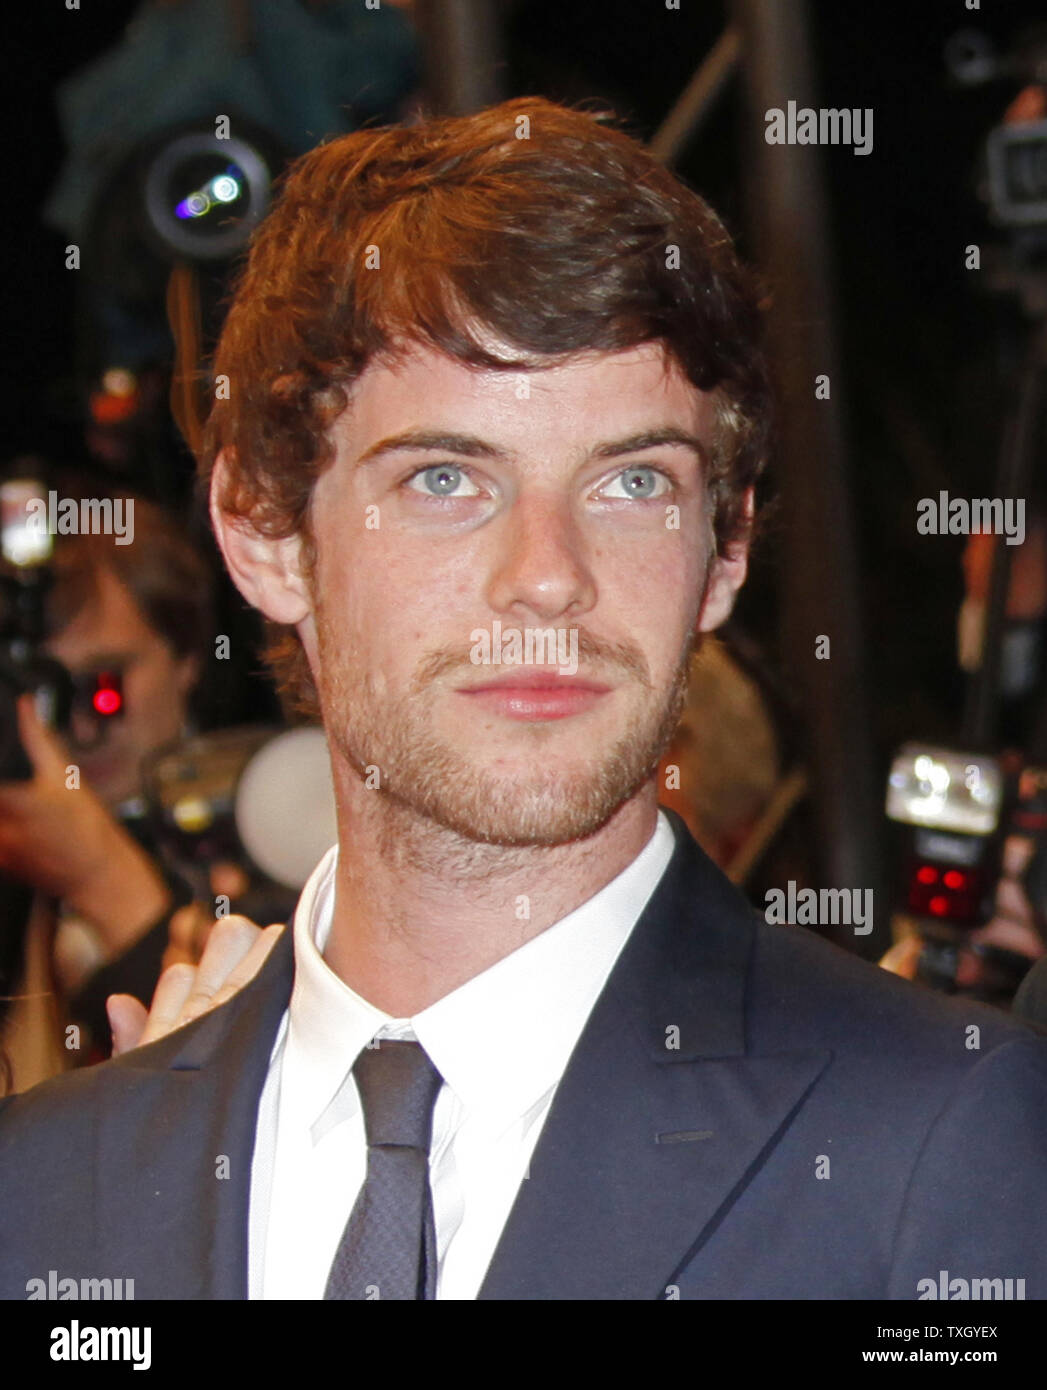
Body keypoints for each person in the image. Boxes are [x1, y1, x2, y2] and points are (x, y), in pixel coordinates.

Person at [3, 96, 1047, 1301]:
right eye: (448, 477)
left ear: (727, 548)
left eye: (633, 481)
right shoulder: (48, 1195)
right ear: (263, 530)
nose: (548, 573)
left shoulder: (940, 1140)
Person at [0, 490, 210, 1083]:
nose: (78, 726)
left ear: (187, 658)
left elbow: (238, 1090)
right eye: (45, 691)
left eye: (103, 686)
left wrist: (102, 879)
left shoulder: (273, 824)